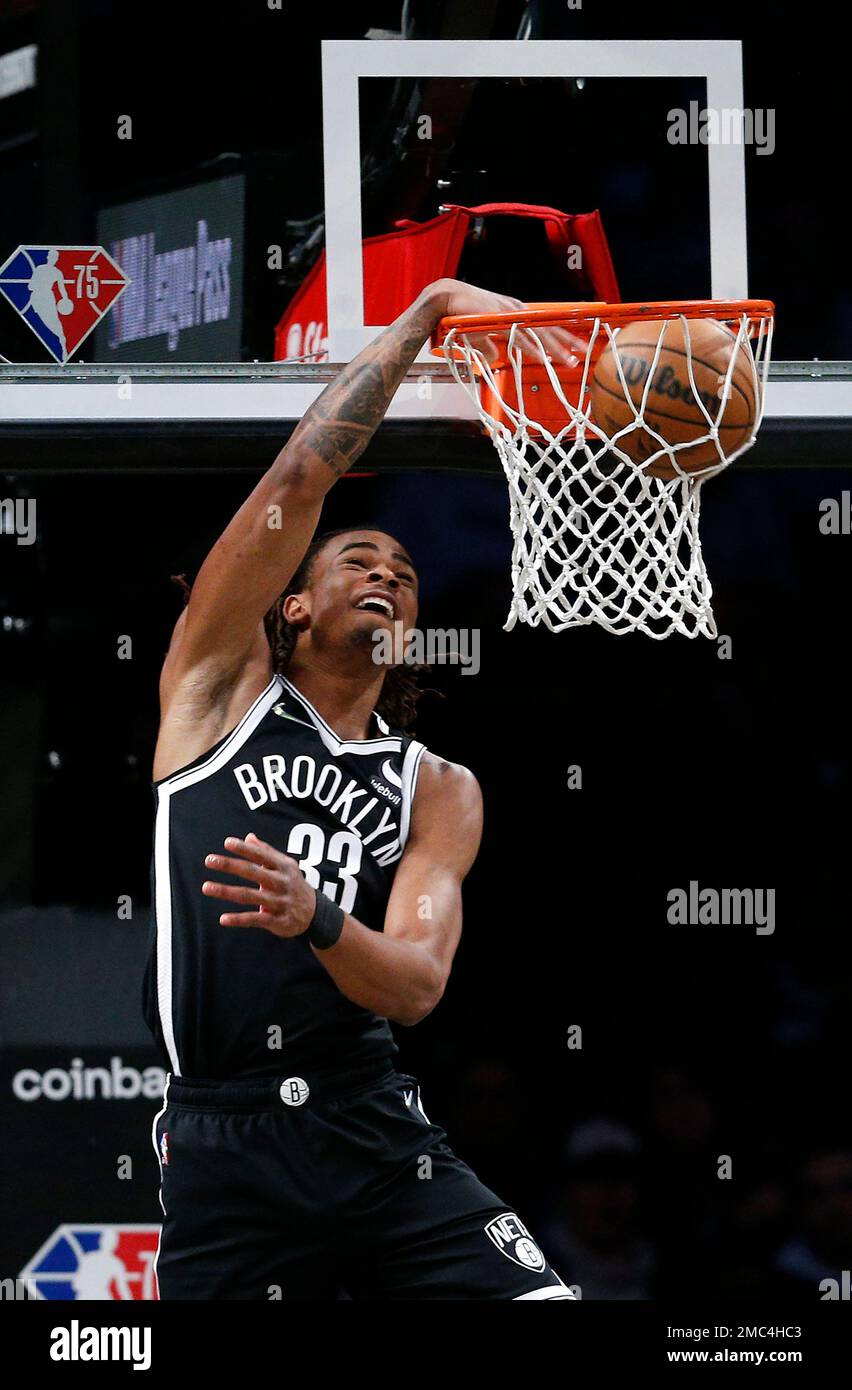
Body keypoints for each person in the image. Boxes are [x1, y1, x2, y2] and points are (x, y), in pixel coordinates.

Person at [144, 278, 579, 1299]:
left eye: (405, 571)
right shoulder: (216, 695)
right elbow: (304, 469)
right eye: (358, 558)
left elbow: (418, 986)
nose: (388, 571)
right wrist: (425, 314)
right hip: (226, 1131)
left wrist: (318, 919)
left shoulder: (438, 787)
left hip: (372, 1122)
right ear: (292, 602)